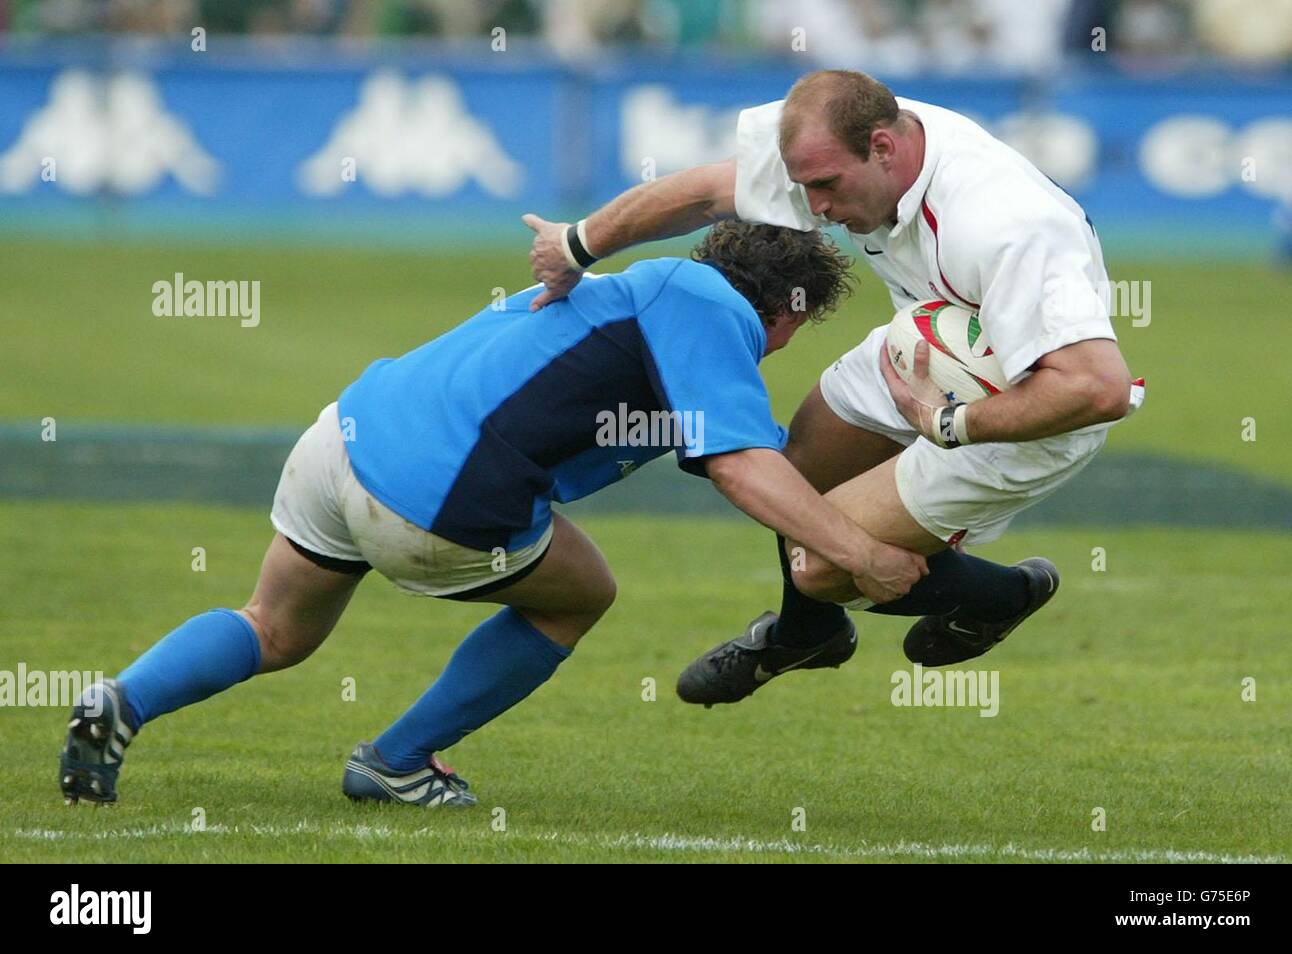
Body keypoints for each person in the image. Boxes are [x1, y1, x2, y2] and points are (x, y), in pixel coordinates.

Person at [58, 222, 928, 808]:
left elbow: (749, 447)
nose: (776, 346)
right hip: (435, 494)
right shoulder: (710, 308)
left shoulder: (640, 297)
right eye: (794, 329)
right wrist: (862, 552)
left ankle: (120, 699)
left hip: (345, 437)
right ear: (787, 310)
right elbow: (742, 466)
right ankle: (394, 764)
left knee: (276, 629)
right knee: (579, 592)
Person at [523, 69, 1141, 707]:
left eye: (826, 187)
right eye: (803, 186)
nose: (814, 210)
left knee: (820, 565)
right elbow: (707, 193)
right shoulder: (837, 144)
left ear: (883, 148)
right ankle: (807, 635)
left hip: (1031, 408)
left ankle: (1002, 596)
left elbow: (1098, 389)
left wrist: (948, 425)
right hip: (926, 345)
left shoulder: (1007, 223)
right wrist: (577, 244)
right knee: (794, 479)